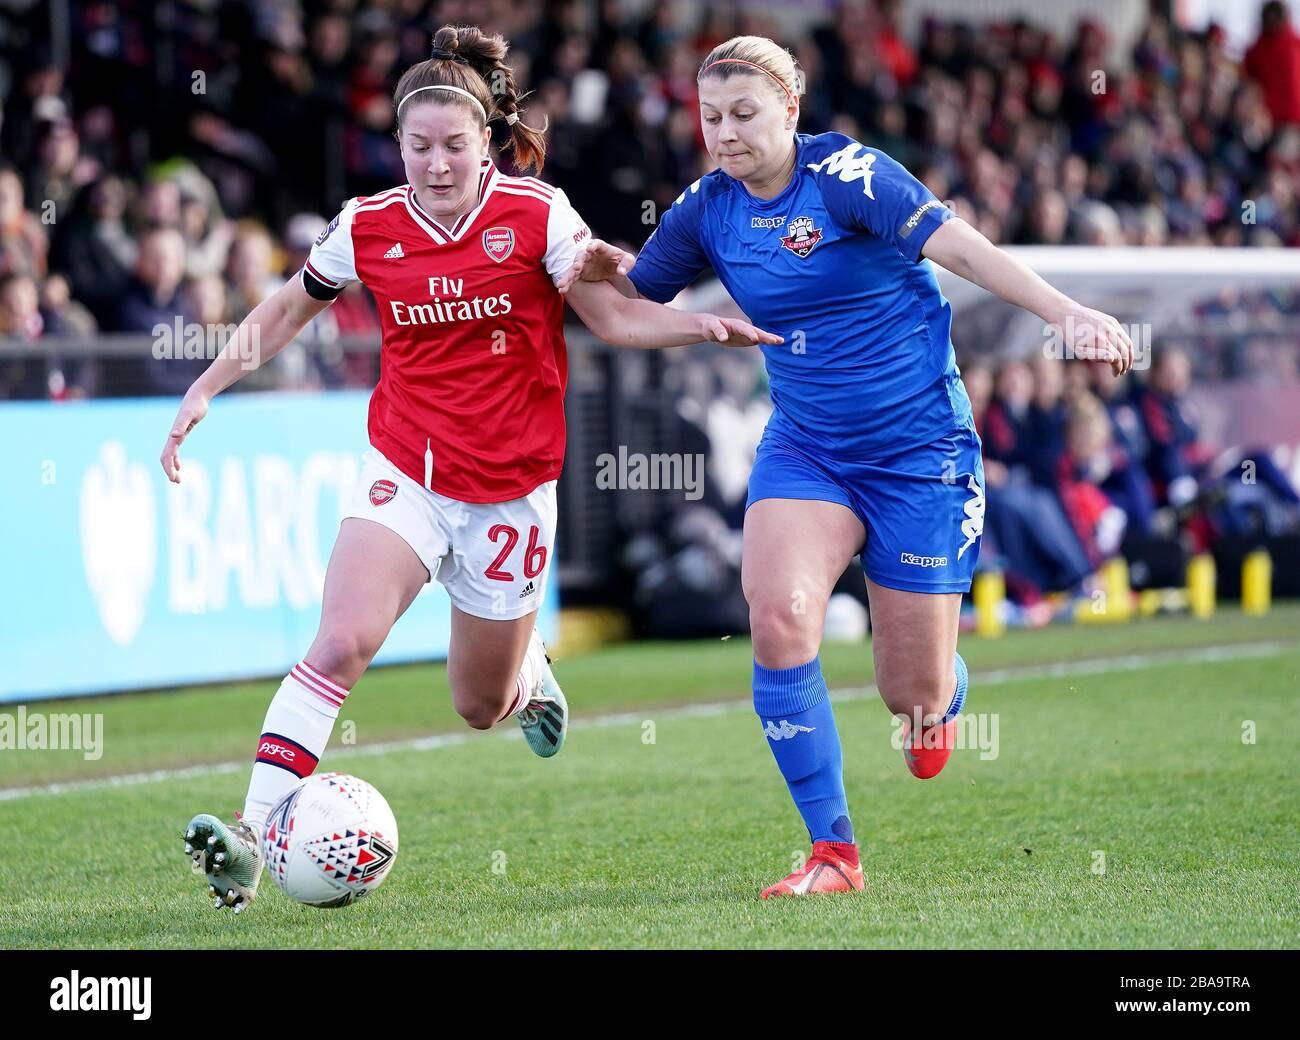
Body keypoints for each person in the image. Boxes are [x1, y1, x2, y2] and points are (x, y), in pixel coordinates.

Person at [163, 25, 780, 914]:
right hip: (404, 468)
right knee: (341, 643)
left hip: (511, 491)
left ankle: (527, 683)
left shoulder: (536, 214)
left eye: (455, 145)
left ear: (487, 139)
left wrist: (704, 324)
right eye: (419, 147)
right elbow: (288, 308)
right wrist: (208, 385)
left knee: (477, 704)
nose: (437, 164)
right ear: (398, 147)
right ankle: (251, 837)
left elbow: (613, 317)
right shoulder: (368, 226)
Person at [564, 34, 1132, 898]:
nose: (723, 133)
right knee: (781, 614)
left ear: (792, 111)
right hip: (808, 449)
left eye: (744, 115)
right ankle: (834, 853)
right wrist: (566, 254)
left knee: (910, 694)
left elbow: (963, 249)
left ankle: (939, 692)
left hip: (919, 454)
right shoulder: (707, 207)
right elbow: (635, 295)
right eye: (710, 116)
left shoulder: (851, 177)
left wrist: (1067, 311)